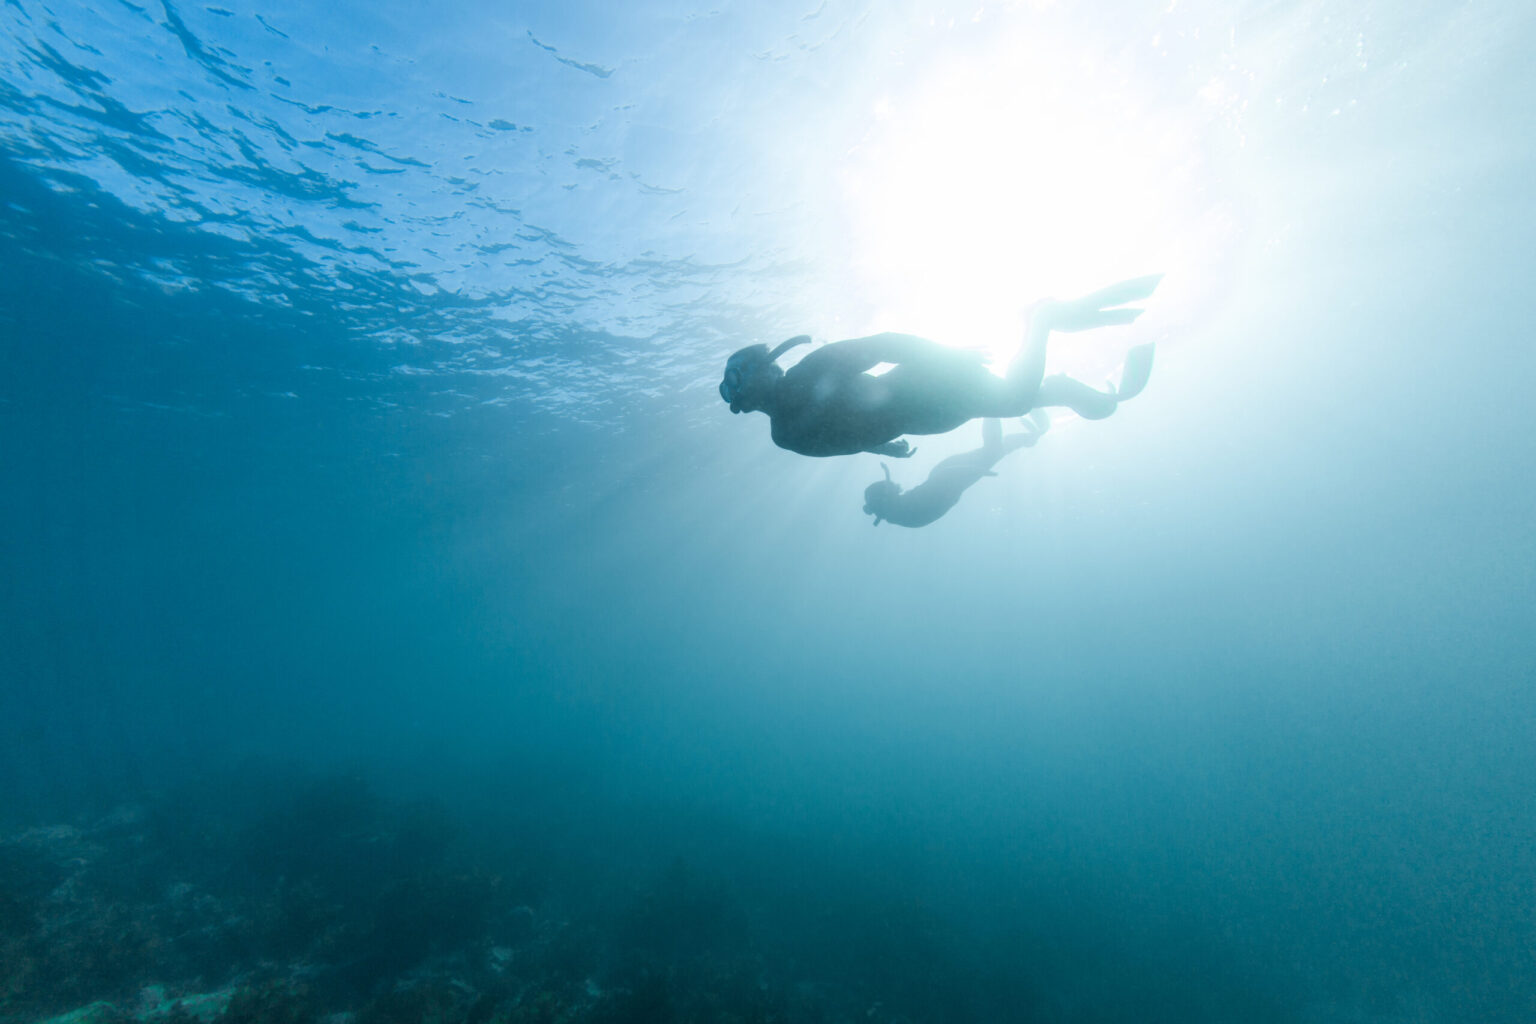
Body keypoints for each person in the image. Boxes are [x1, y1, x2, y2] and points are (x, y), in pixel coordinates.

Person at [718, 274, 1161, 458]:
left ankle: (1039, 319)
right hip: (925, 412)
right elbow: (840, 432)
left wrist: (947, 358)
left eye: (741, 378)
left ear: (766, 372)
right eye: (735, 387)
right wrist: (880, 445)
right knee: (1022, 397)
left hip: (926, 387)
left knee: (1015, 400)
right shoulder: (784, 435)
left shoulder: (809, 373)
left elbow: (888, 343)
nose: (740, 391)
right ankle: (1069, 386)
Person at [863, 414, 1049, 528]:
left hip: (952, 476)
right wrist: (971, 471)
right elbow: (941, 485)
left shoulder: (898, 513)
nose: (894, 484)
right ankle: (1027, 433)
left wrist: (971, 471)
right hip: (951, 476)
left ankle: (994, 410)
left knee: (993, 449)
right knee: (995, 449)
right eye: (888, 485)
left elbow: (942, 483)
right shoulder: (900, 512)